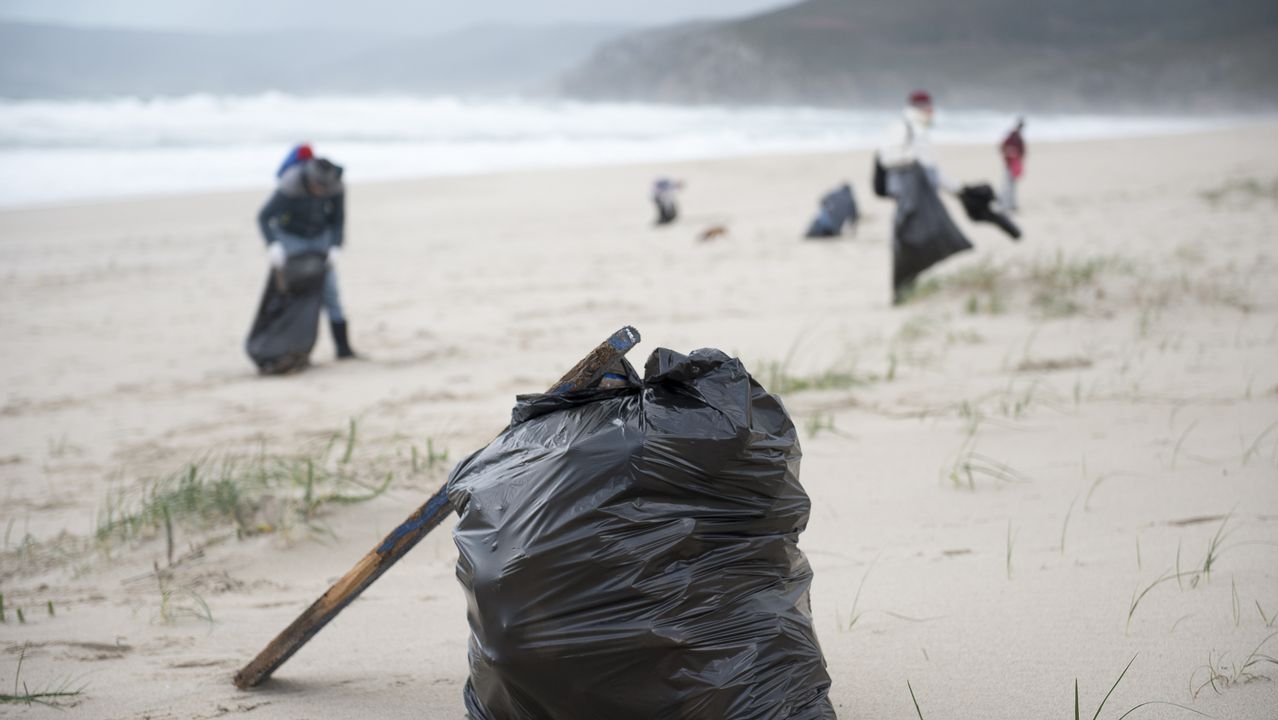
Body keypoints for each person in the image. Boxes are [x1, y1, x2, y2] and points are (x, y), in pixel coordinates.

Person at [257, 156, 358, 359]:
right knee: (295, 294)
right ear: (309, 180)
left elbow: (338, 219)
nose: (321, 192)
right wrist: (273, 245)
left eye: (325, 188)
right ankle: (290, 349)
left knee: (331, 293)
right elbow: (264, 216)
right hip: (292, 241)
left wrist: (336, 245)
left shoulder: (335, 184)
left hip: (321, 239)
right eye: (318, 187)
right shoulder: (291, 183)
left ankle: (343, 349)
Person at [876, 91, 971, 304]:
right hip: (907, 198)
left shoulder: (920, 131)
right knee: (908, 242)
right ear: (921, 108)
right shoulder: (902, 127)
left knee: (926, 240)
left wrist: (958, 190)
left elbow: (933, 172)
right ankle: (901, 291)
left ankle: (909, 287)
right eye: (929, 108)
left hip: (923, 198)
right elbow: (887, 158)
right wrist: (913, 157)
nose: (932, 111)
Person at [999, 117, 1026, 212]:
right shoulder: (1013, 136)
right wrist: (1009, 154)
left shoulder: (1018, 137)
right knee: (1008, 185)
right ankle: (1005, 204)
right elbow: (1002, 147)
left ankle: (1011, 204)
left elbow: (1022, 152)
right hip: (1010, 163)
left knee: (1012, 185)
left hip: (1014, 164)